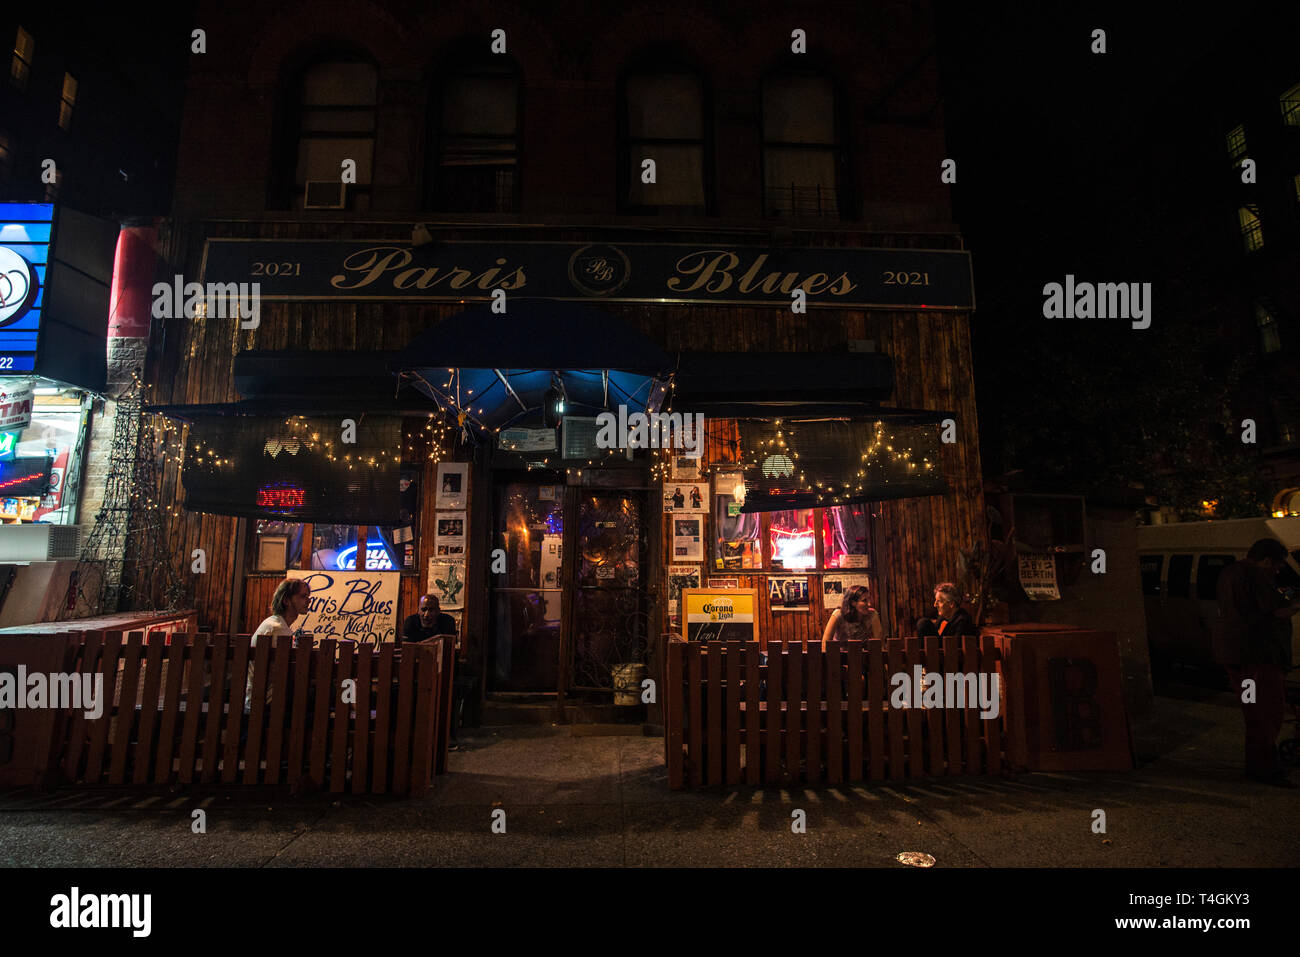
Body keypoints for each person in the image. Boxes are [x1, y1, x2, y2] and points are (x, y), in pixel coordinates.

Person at [1213, 538, 1300, 788]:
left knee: (1253, 712)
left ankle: (1257, 765)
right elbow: (1276, 611)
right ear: (1266, 560)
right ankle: (1264, 769)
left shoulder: (1229, 572)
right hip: (1260, 657)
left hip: (1237, 656)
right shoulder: (1257, 575)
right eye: (1277, 566)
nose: (1277, 571)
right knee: (1267, 712)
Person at [245, 577, 311, 710]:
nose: (308, 601)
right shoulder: (278, 629)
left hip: (258, 698)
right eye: (303, 596)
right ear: (287, 600)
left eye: (308, 596)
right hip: (267, 702)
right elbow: (290, 672)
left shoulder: (274, 623)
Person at [822, 584, 883, 649]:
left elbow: (879, 644)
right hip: (840, 655)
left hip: (862, 655)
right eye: (864, 600)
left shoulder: (872, 614)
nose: (869, 604)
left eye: (869, 599)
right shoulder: (838, 614)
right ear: (853, 603)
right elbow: (825, 643)